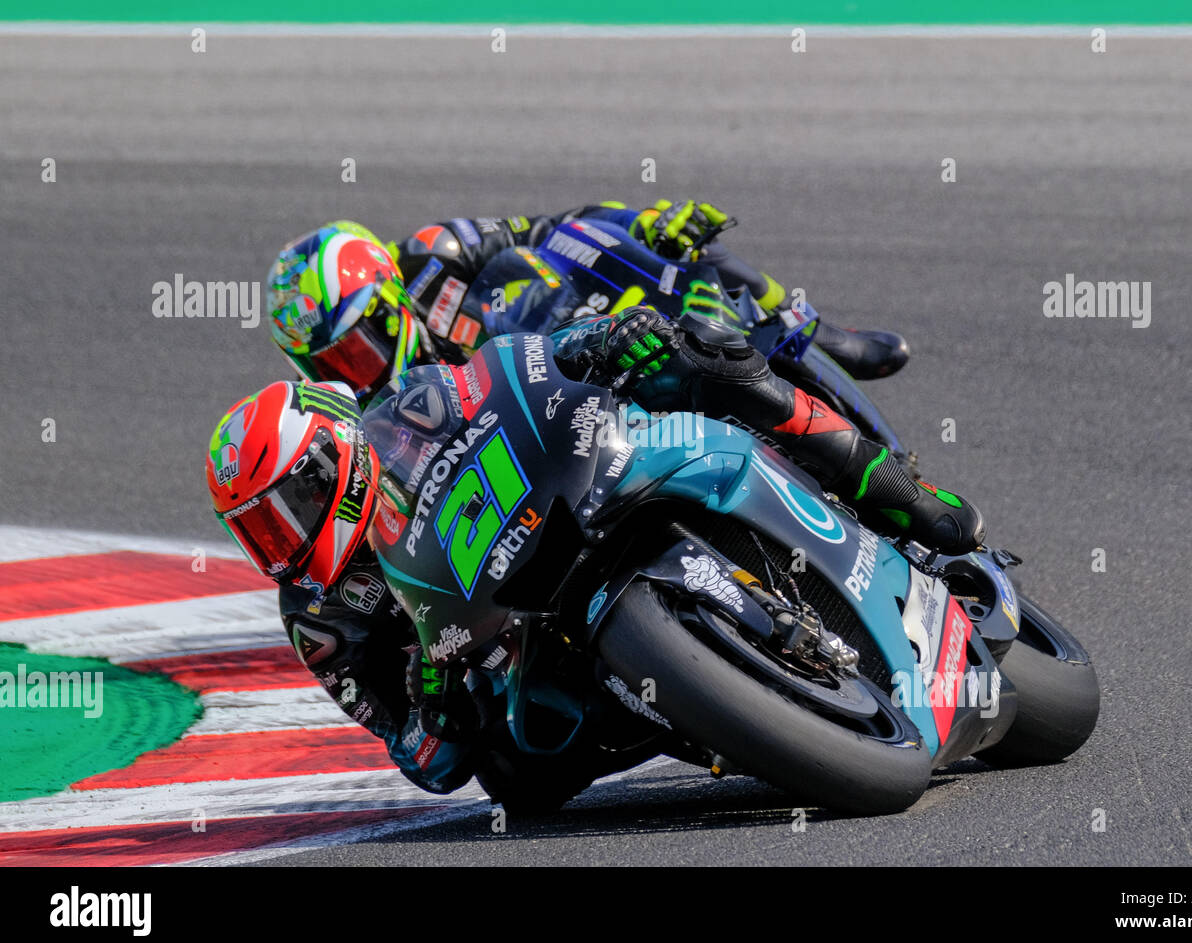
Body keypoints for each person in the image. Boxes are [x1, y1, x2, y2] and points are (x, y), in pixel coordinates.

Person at [206, 304, 984, 806]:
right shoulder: (318, 616)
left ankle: (906, 497)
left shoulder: (407, 413)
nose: (280, 538)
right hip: (526, 688)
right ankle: (738, 709)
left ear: (330, 461)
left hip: (569, 510)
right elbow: (424, 763)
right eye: (256, 530)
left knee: (706, 353)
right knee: (519, 779)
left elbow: (507, 372)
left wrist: (598, 342)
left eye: (286, 509)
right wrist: (430, 701)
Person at [263, 201, 910, 404]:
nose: (359, 368)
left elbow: (556, 225)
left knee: (675, 243)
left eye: (358, 343)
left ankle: (807, 330)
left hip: (578, 339)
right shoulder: (365, 415)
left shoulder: (435, 256)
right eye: (333, 365)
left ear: (387, 298)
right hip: (533, 438)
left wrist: (643, 223)